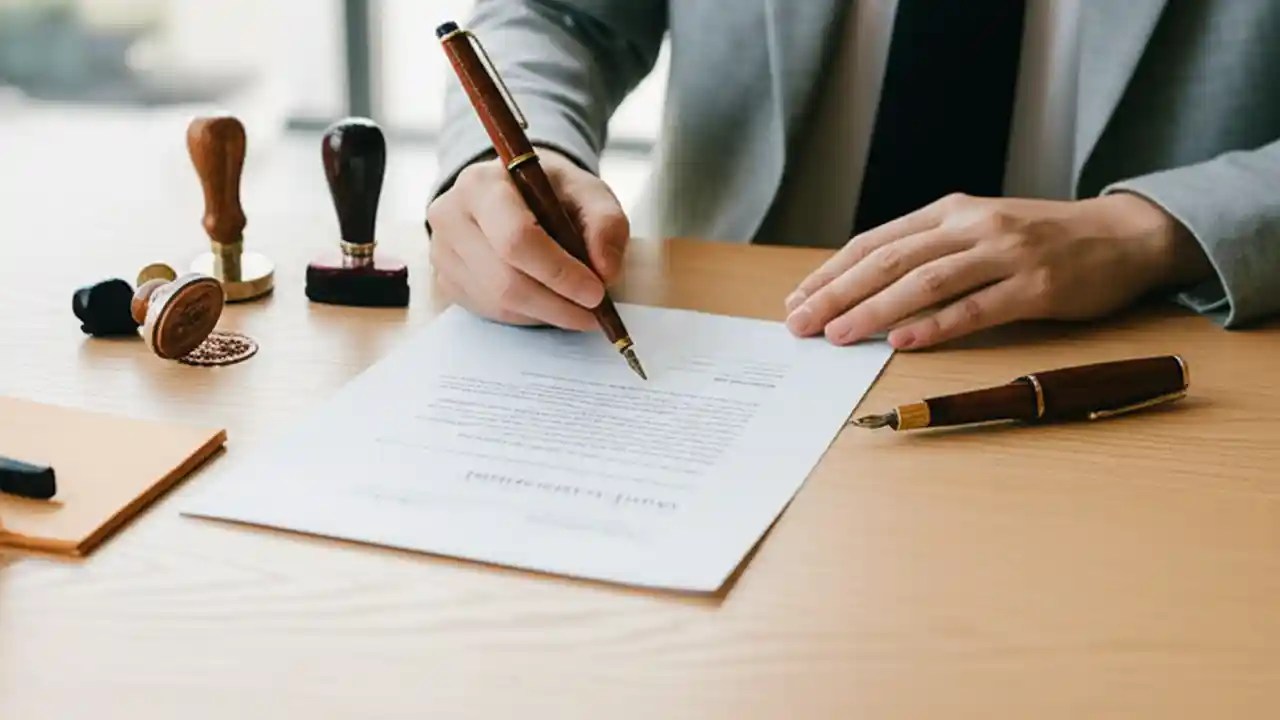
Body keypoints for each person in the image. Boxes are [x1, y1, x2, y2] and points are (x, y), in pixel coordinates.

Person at [425, 1, 1280, 350]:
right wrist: (510, 164)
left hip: (1131, 354)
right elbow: (557, 15)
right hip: (719, 334)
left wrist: (1150, 229)